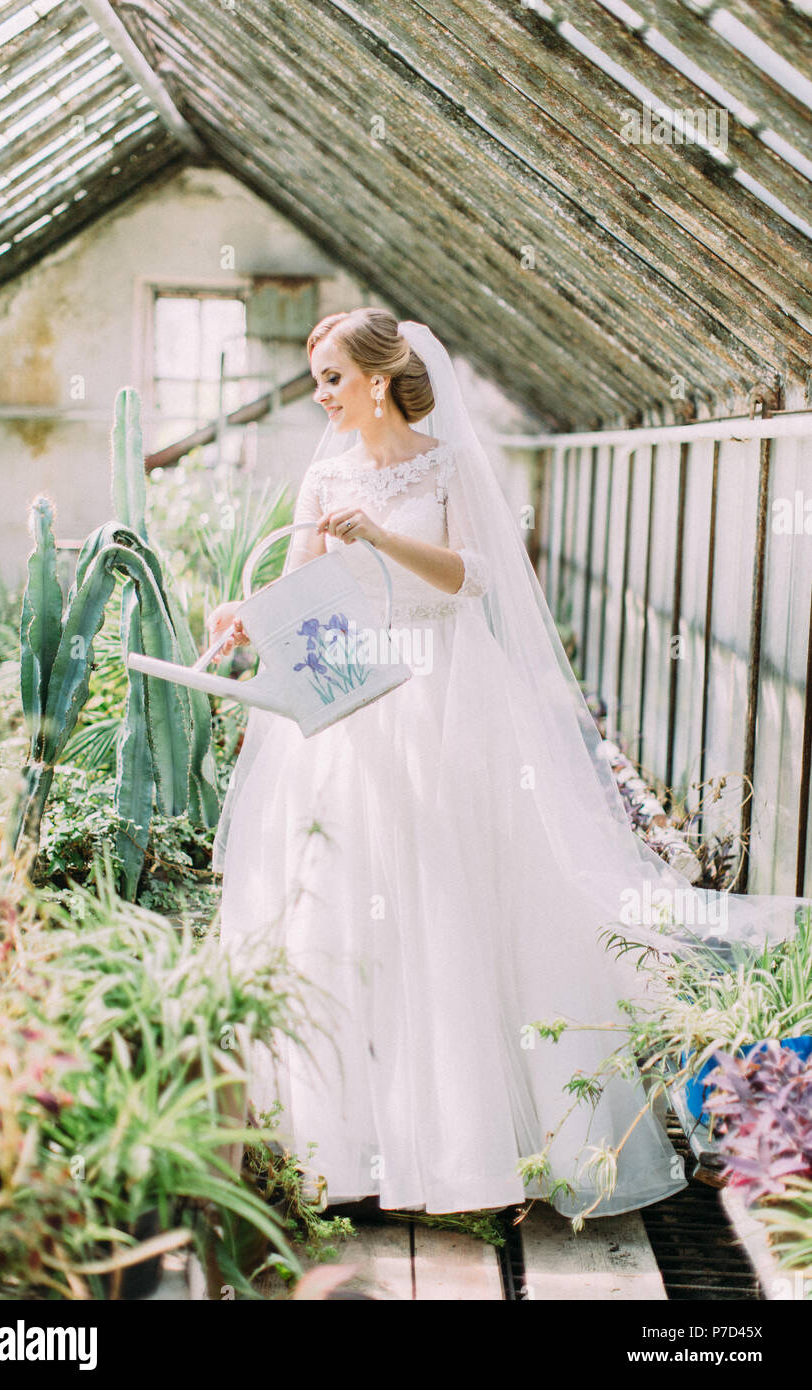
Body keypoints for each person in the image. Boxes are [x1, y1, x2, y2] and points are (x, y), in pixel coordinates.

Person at [206, 308, 810, 1220]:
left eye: (331, 376)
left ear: (377, 380)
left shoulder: (443, 463)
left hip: (443, 691)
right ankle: (345, 1146)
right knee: (341, 900)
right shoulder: (322, 473)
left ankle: (464, 1152)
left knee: (447, 900)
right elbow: (300, 585)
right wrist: (246, 618)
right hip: (351, 692)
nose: (320, 394)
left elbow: (473, 578)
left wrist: (377, 534)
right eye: (315, 378)